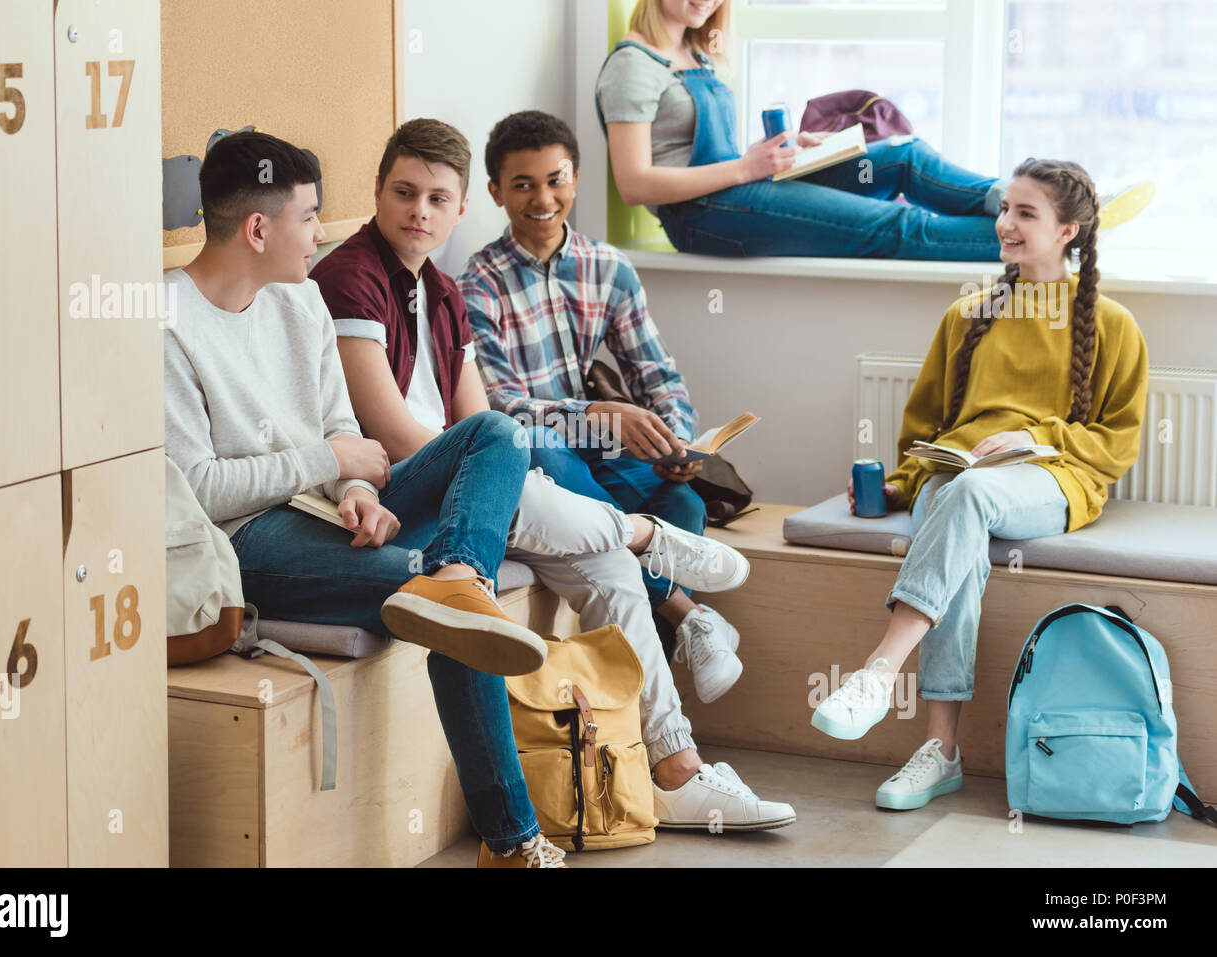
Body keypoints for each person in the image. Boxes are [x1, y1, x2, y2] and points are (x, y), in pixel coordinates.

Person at [311, 117, 797, 831]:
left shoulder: (443, 293)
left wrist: (494, 461)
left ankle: (676, 767)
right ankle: (644, 533)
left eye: (437, 199)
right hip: (394, 490)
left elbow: (484, 426)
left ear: (460, 207)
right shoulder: (351, 276)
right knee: (524, 451)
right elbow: (395, 433)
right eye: (405, 193)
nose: (420, 212)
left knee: (604, 560)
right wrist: (489, 459)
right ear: (377, 193)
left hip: (466, 487)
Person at [162, 130, 568, 868]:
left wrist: (354, 486)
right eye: (310, 216)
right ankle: (511, 841)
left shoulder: (300, 301)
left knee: (495, 434)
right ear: (259, 228)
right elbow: (198, 491)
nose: (323, 232)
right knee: (451, 616)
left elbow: (340, 427)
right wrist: (331, 462)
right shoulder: (165, 324)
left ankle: (456, 575)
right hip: (245, 541)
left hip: (323, 510)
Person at [810, 158, 1148, 809]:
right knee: (954, 509)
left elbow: (1116, 441)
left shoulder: (1112, 325)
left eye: (1026, 213)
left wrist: (1036, 439)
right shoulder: (968, 313)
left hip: (1055, 477)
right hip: (963, 478)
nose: (1006, 224)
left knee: (964, 500)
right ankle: (940, 752)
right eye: (1005, 209)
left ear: (1069, 229)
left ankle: (879, 671)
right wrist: (903, 483)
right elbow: (925, 425)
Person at [458, 110, 750, 702]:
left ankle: (646, 685)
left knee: (679, 498)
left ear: (576, 177)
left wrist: (679, 440)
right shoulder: (477, 284)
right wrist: (591, 415)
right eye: (523, 184)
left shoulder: (608, 268)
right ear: (495, 192)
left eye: (556, 179)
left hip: (601, 451)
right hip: (537, 454)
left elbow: (657, 373)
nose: (543, 198)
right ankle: (688, 614)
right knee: (547, 455)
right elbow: (502, 408)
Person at [596, 0, 1151, 260]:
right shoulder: (632, 65)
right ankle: (1040, 237)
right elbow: (637, 183)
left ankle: (1029, 206)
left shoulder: (698, 54)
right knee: (896, 225)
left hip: (738, 190)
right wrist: (747, 166)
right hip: (704, 219)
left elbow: (703, 153)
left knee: (904, 155)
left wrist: (781, 153)